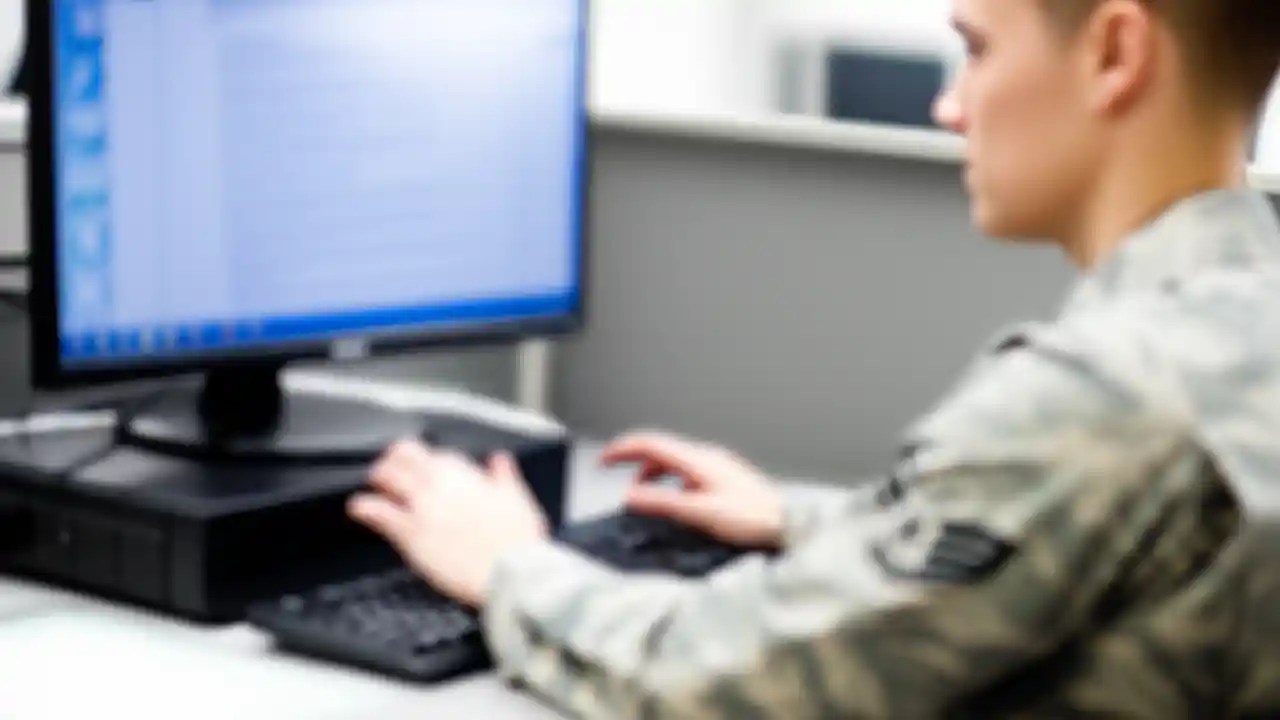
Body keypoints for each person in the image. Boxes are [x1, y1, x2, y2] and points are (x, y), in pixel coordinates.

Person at [348, 0, 1280, 716]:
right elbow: (1084, 540)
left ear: (1116, 51)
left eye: (979, 48)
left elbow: (720, 684)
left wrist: (511, 565)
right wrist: (809, 523)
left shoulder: (1108, 389)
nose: (949, 106)